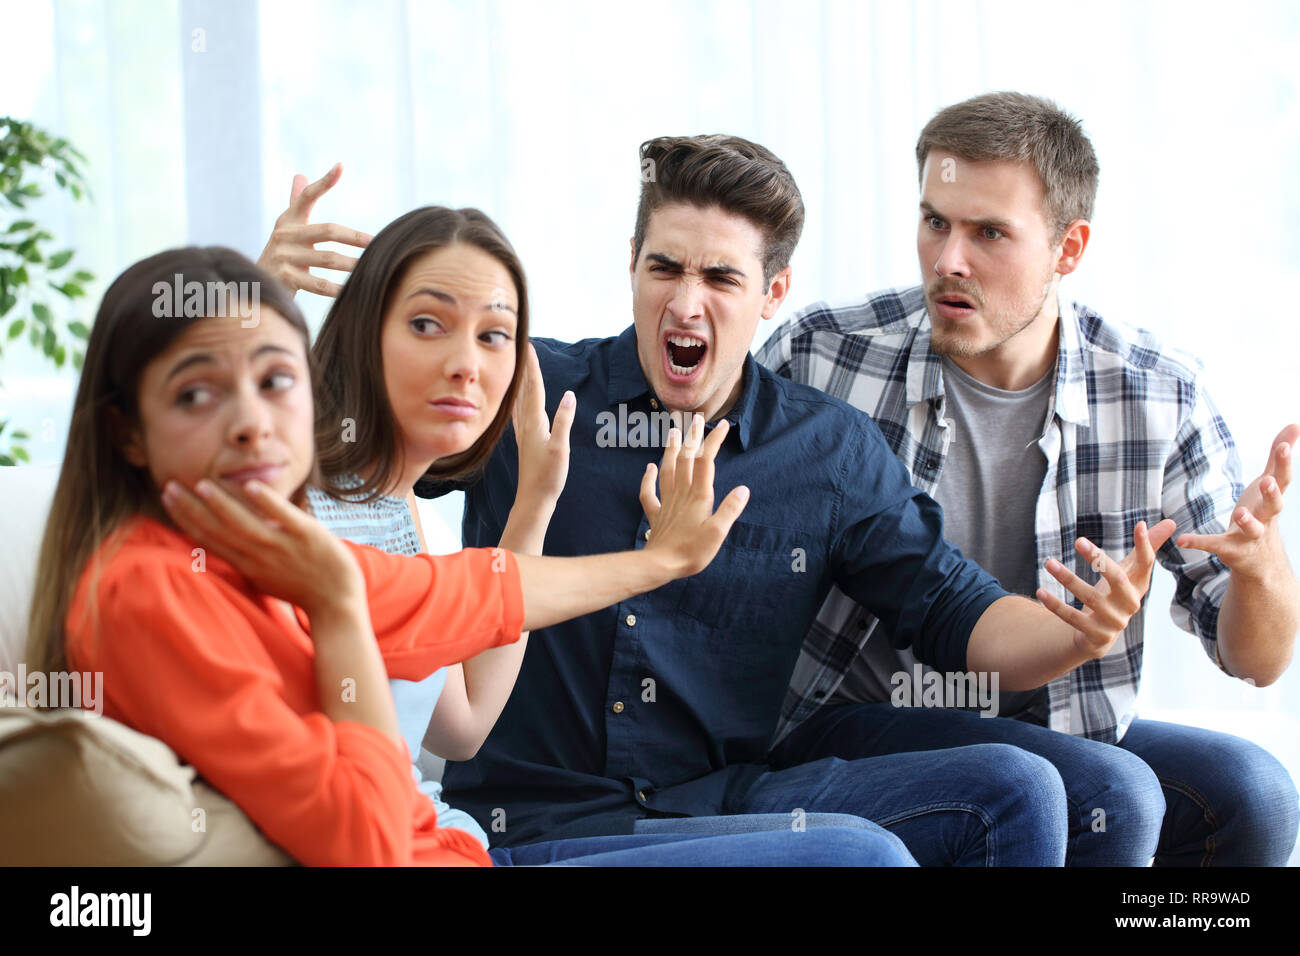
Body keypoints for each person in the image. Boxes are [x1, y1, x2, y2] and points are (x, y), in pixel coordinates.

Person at [258, 140, 1164, 867]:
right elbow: (359, 449)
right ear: (632, 267)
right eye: (665, 268)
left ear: (771, 295)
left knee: (1028, 790)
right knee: (860, 858)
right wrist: (265, 302)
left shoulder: (827, 450)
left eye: (721, 279)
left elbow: (951, 608)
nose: (685, 301)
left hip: (726, 800)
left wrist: (1078, 634)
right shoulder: (527, 388)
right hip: (531, 818)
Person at [28, 244, 917, 866]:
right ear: (127, 434)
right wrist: (339, 609)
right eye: (197, 394)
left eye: (274, 381)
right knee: (859, 855)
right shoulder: (154, 588)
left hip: (471, 842)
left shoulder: (259, 544)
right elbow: (373, 841)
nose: (253, 420)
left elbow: (458, 599)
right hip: (474, 843)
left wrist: (646, 554)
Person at [756, 91, 1300, 866]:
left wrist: (1261, 568)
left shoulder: (1157, 394)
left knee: (1254, 795)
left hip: (1054, 720)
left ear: (1067, 249)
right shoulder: (824, 354)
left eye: (989, 233)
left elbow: (1258, 661)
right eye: (935, 220)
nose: (949, 258)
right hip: (849, 715)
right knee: (1112, 793)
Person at [301, 205, 907, 862]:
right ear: (365, 331)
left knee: (876, 840)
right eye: (427, 324)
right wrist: (659, 561)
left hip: (453, 844)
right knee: (855, 857)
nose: (464, 363)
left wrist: (534, 504)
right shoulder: (291, 508)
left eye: (495, 335)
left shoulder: (410, 520)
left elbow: (466, 725)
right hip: (428, 849)